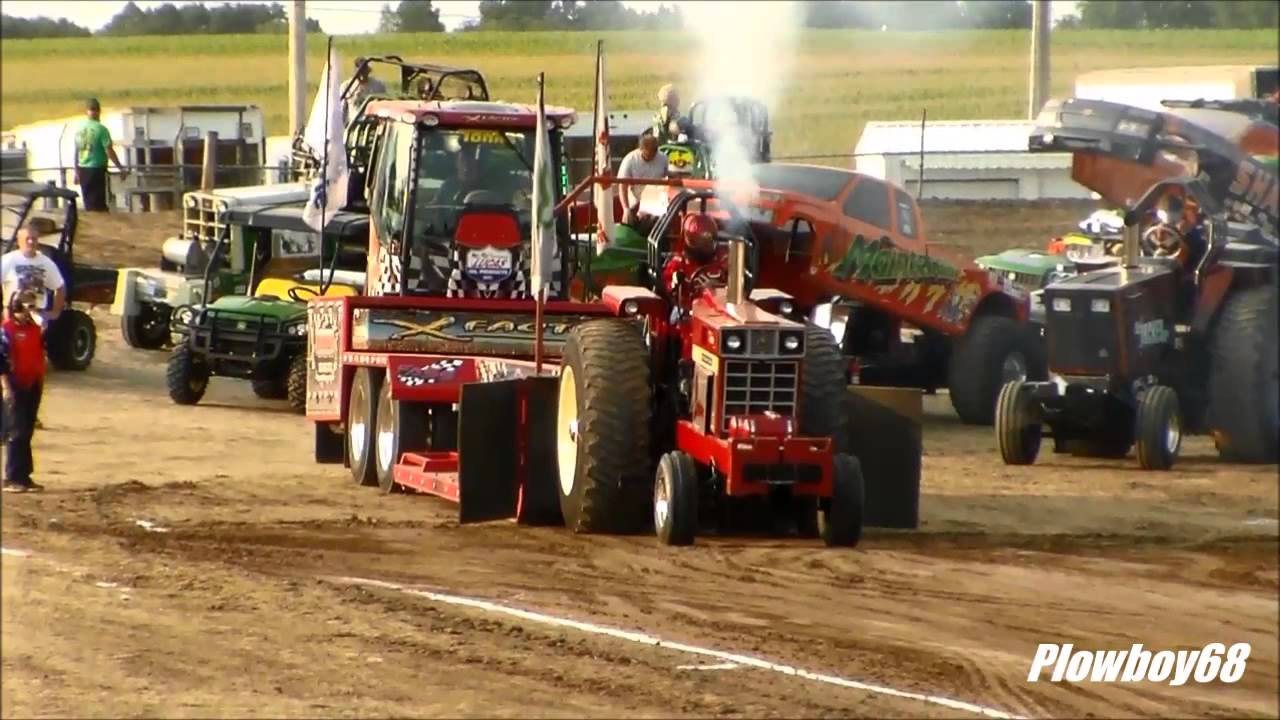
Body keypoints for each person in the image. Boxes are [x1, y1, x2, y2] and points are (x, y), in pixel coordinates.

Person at [2, 290, 47, 492]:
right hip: (16, 384)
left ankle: (25, 476)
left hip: (33, 385)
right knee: (17, 431)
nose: (31, 310)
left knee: (27, 431)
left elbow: (39, 354)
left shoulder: (34, 328)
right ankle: (12, 477)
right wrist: (6, 387)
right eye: (27, 305)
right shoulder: (7, 329)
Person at [1, 223, 65, 324]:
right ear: (19, 240)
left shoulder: (46, 263)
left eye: (34, 239)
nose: (31, 242)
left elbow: (59, 286)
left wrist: (54, 313)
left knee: (35, 339)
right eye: (27, 239)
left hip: (37, 315)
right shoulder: (7, 260)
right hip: (12, 314)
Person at [74, 98, 127, 212]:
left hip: (83, 169)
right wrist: (120, 167)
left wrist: (76, 171)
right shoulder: (101, 129)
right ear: (99, 111)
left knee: (88, 203)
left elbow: (76, 151)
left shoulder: (80, 129)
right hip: (97, 169)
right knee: (99, 204)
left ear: (86, 112)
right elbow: (109, 151)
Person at [616, 132, 669, 228]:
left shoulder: (663, 158)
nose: (651, 156)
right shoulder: (630, 160)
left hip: (655, 200)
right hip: (635, 201)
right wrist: (626, 208)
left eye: (653, 153)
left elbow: (668, 179)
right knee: (629, 220)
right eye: (648, 154)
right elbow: (622, 186)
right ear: (641, 150)